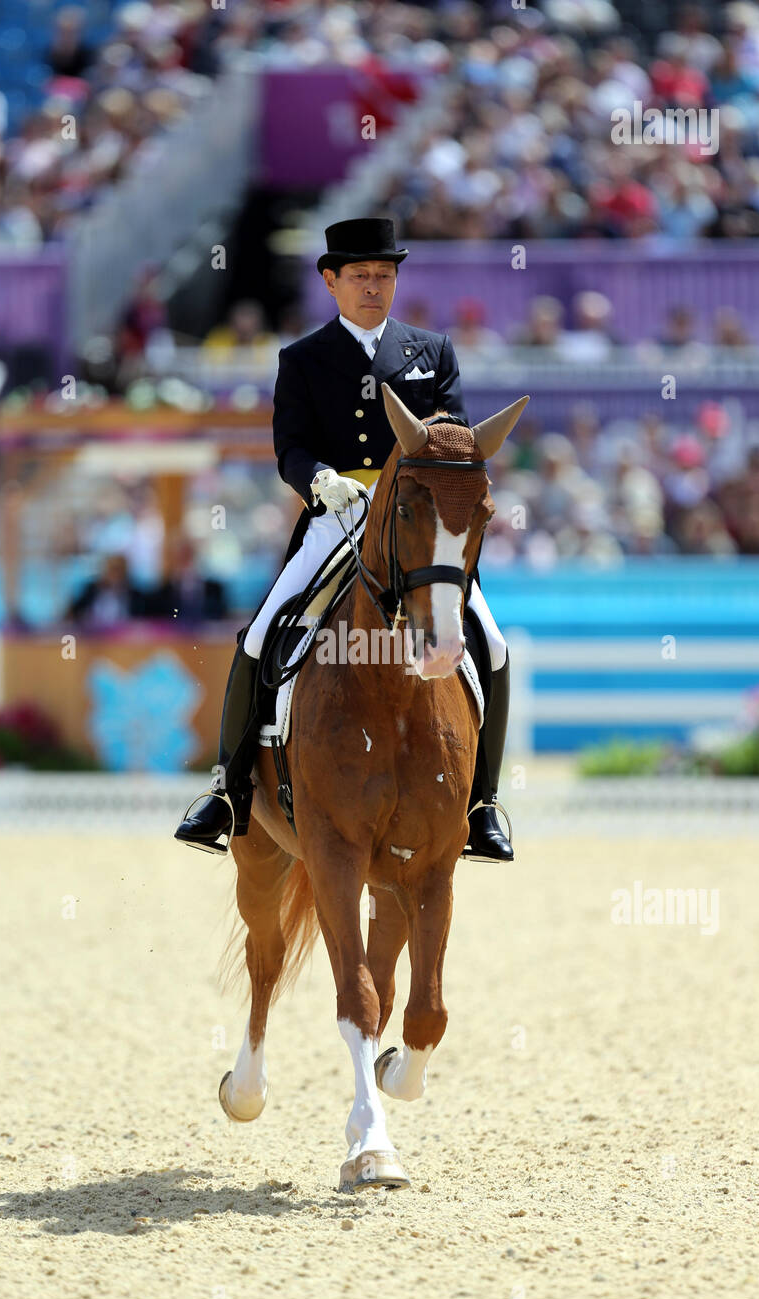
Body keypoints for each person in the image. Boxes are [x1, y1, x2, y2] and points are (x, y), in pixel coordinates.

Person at [175, 217, 514, 862]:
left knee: (492, 646)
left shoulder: (431, 350)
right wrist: (321, 480)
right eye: (360, 276)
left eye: (384, 276)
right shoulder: (302, 359)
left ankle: (483, 804)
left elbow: (456, 441)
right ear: (330, 281)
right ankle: (228, 790)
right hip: (336, 511)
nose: (373, 287)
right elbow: (289, 447)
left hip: (413, 524)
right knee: (259, 635)